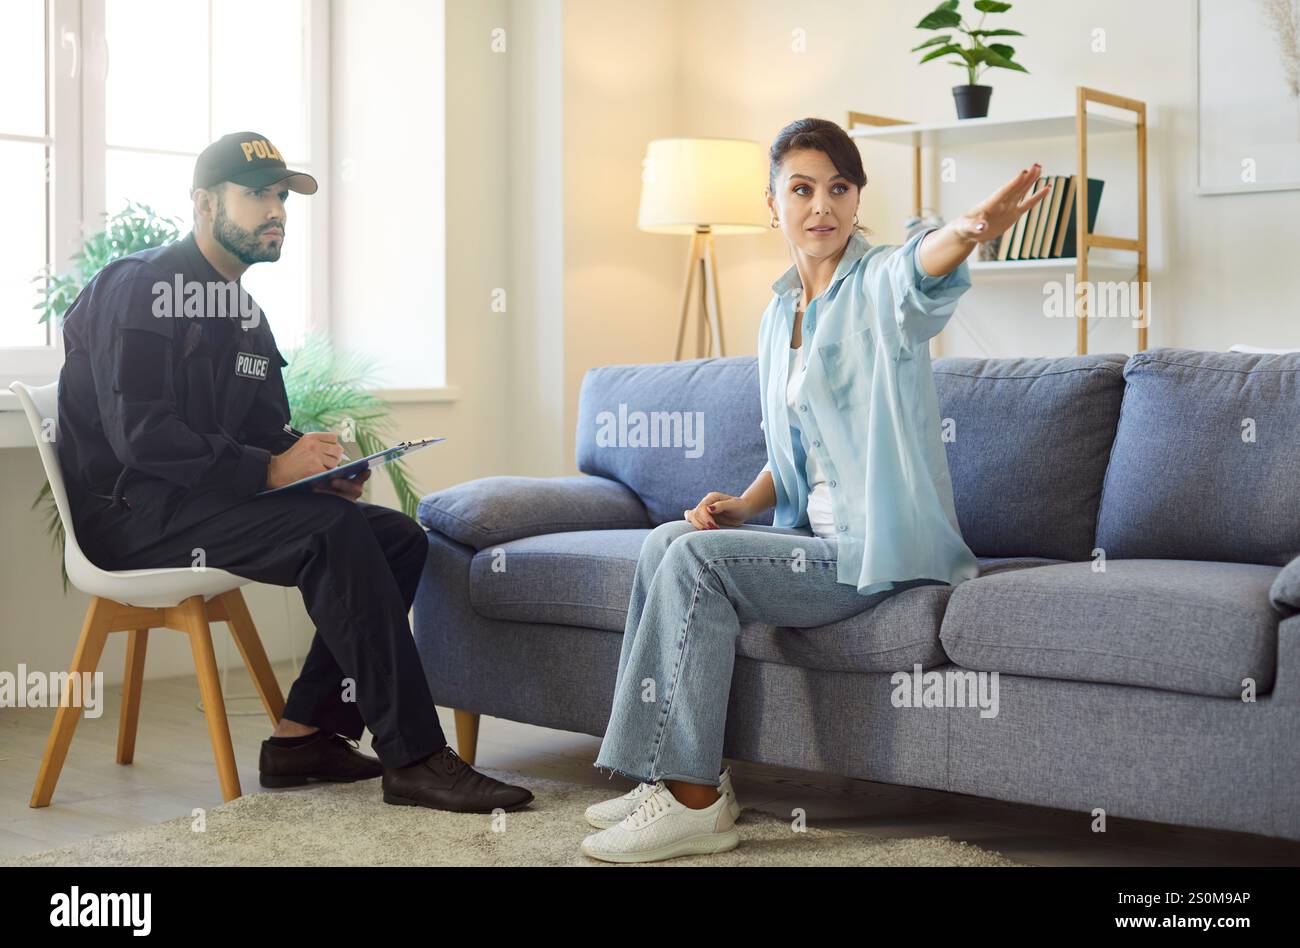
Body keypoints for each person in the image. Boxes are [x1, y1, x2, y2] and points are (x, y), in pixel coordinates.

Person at [581, 118, 1049, 863]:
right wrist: (743, 504)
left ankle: (696, 804)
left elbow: (919, 272)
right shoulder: (778, 314)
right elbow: (796, 447)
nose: (821, 205)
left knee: (697, 566)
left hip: (874, 554)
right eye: (801, 189)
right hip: (808, 537)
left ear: (858, 199)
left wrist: (969, 229)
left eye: (839, 187)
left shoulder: (877, 288)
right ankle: (657, 776)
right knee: (671, 541)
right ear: (773, 203)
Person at [56, 131, 532, 814]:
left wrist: (311, 467)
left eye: (281, 195)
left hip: (203, 505)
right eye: (257, 194)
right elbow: (143, 437)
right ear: (202, 202)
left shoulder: (246, 315)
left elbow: (264, 432)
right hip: (134, 516)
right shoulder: (142, 288)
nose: (275, 209)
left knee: (397, 536)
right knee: (332, 535)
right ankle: (416, 757)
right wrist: (271, 469)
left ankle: (304, 735)